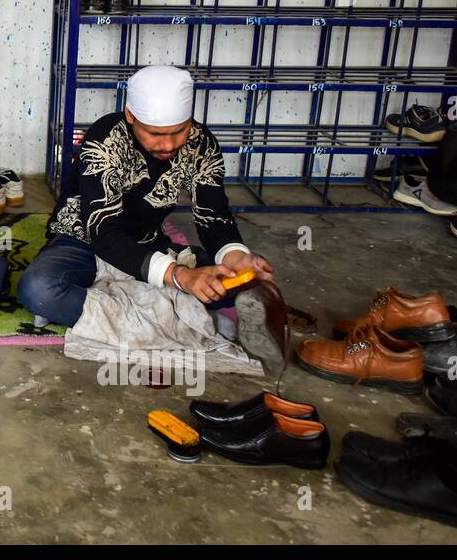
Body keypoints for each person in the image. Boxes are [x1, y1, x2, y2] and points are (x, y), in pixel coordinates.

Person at [17, 64, 282, 370]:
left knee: (241, 280)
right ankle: (181, 313)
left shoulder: (201, 143)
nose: (169, 145)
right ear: (131, 116)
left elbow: (214, 216)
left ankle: (124, 310)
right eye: (156, 133)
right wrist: (179, 276)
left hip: (148, 245)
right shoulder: (104, 140)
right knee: (39, 289)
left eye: (179, 131)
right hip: (83, 241)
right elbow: (103, 231)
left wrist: (235, 256)